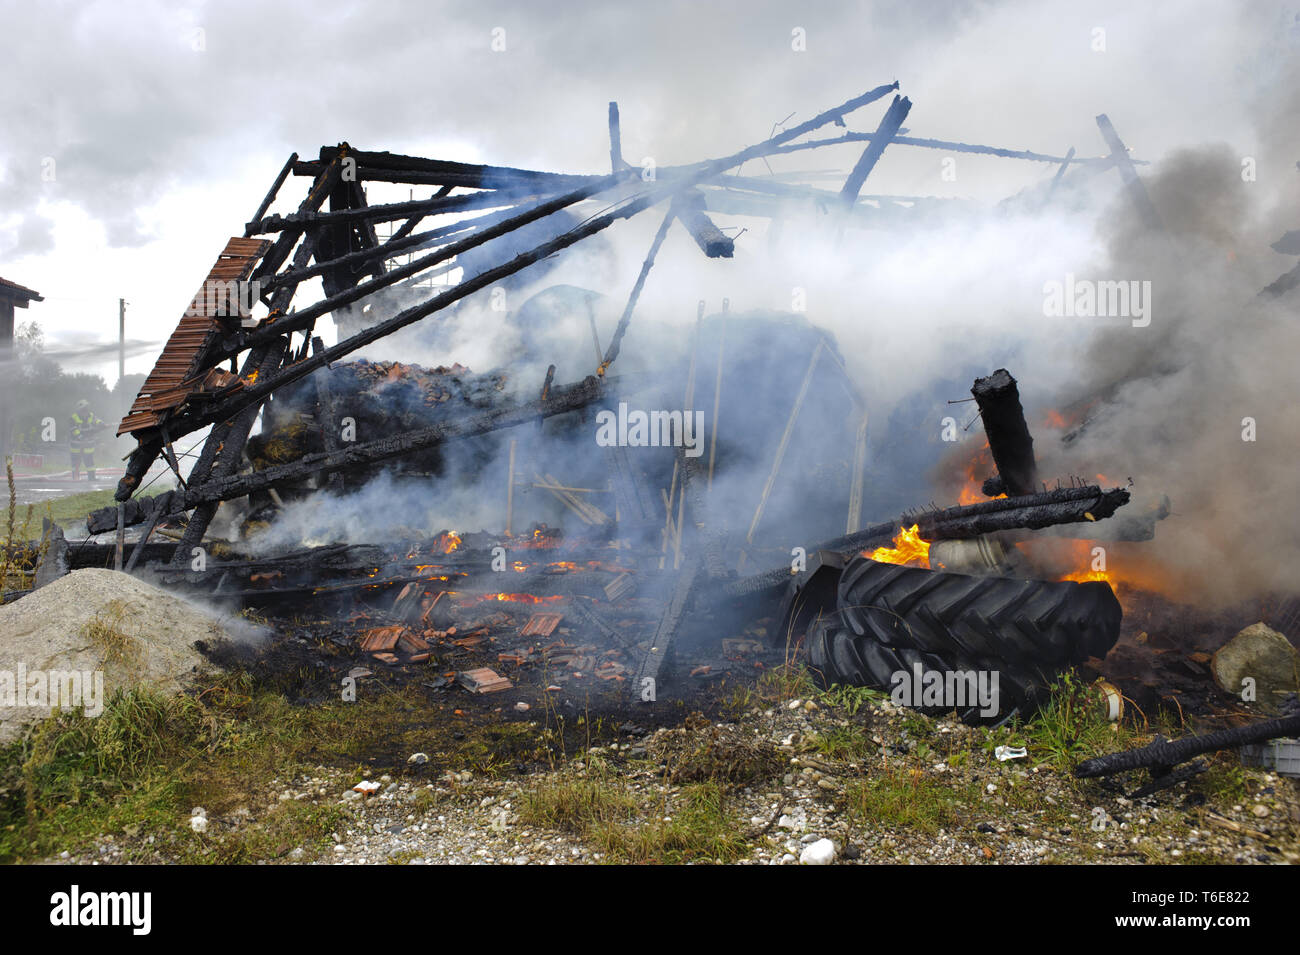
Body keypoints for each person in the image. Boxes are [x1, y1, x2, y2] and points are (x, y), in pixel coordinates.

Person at [70, 399, 103, 480]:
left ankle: (91, 478)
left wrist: (101, 423)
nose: (85, 411)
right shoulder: (73, 418)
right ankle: (75, 478)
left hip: (88, 444)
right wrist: (81, 438)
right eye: (84, 409)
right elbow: (73, 430)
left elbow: (96, 420)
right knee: (75, 462)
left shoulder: (91, 415)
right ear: (79, 410)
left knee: (89, 462)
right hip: (76, 445)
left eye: (86, 408)